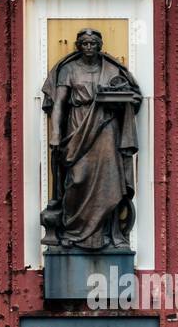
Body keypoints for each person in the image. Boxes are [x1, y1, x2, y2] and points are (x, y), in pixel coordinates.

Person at [39, 28, 143, 250]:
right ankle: (72, 230)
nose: (89, 47)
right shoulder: (69, 70)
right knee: (76, 178)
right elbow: (59, 104)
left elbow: (132, 97)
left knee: (110, 180)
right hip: (77, 125)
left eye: (93, 43)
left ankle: (109, 233)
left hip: (106, 128)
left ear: (99, 45)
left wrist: (124, 98)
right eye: (84, 44)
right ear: (78, 46)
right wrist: (56, 133)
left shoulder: (112, 69)